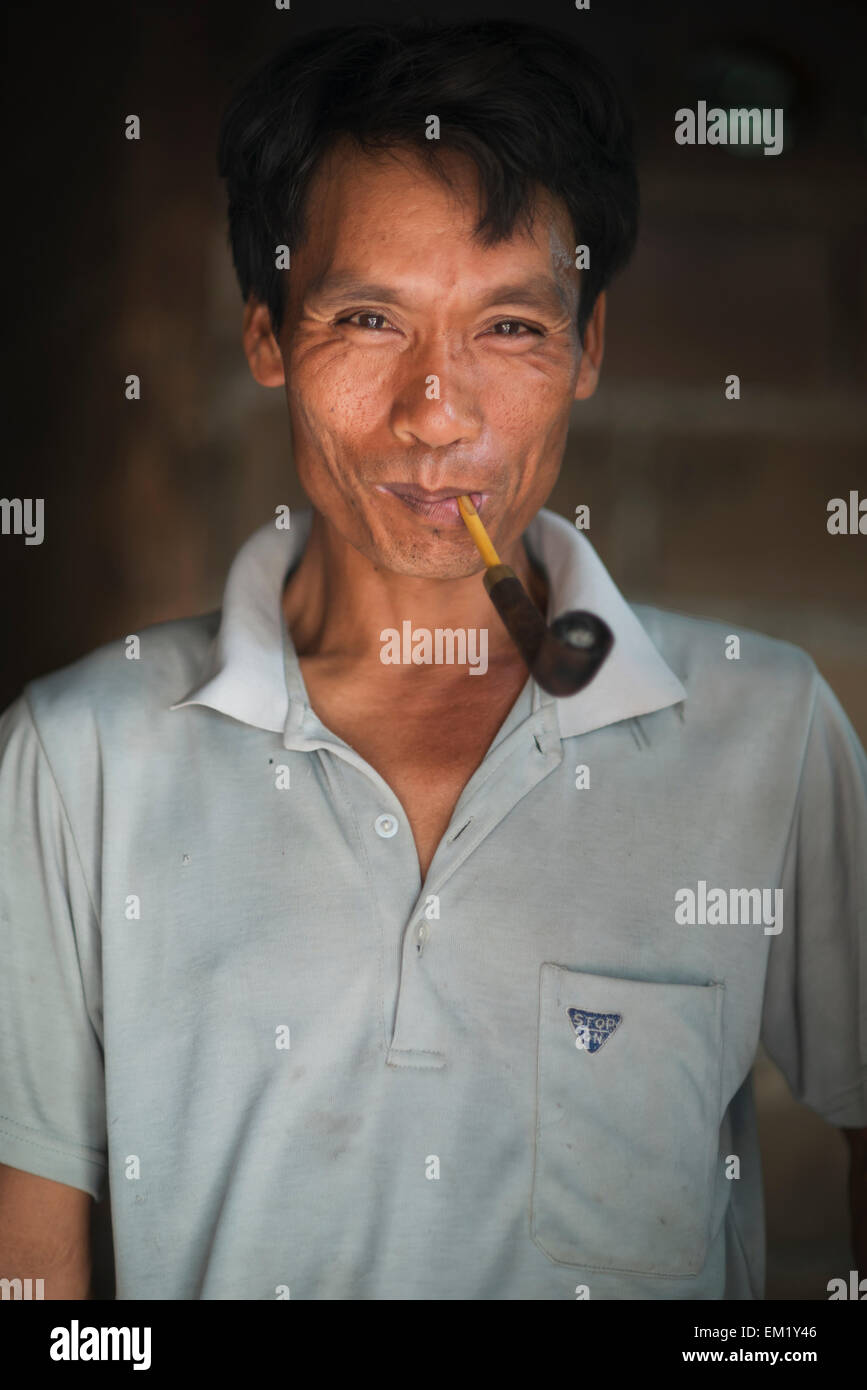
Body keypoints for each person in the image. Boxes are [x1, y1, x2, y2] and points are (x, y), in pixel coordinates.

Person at [0, 19, 864, 1302]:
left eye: (509, 326)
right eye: (367, 318)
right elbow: (30, 1272)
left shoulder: (768, 731)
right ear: (267, 335)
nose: (436, 412)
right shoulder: (77, 760)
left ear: (589, 347)